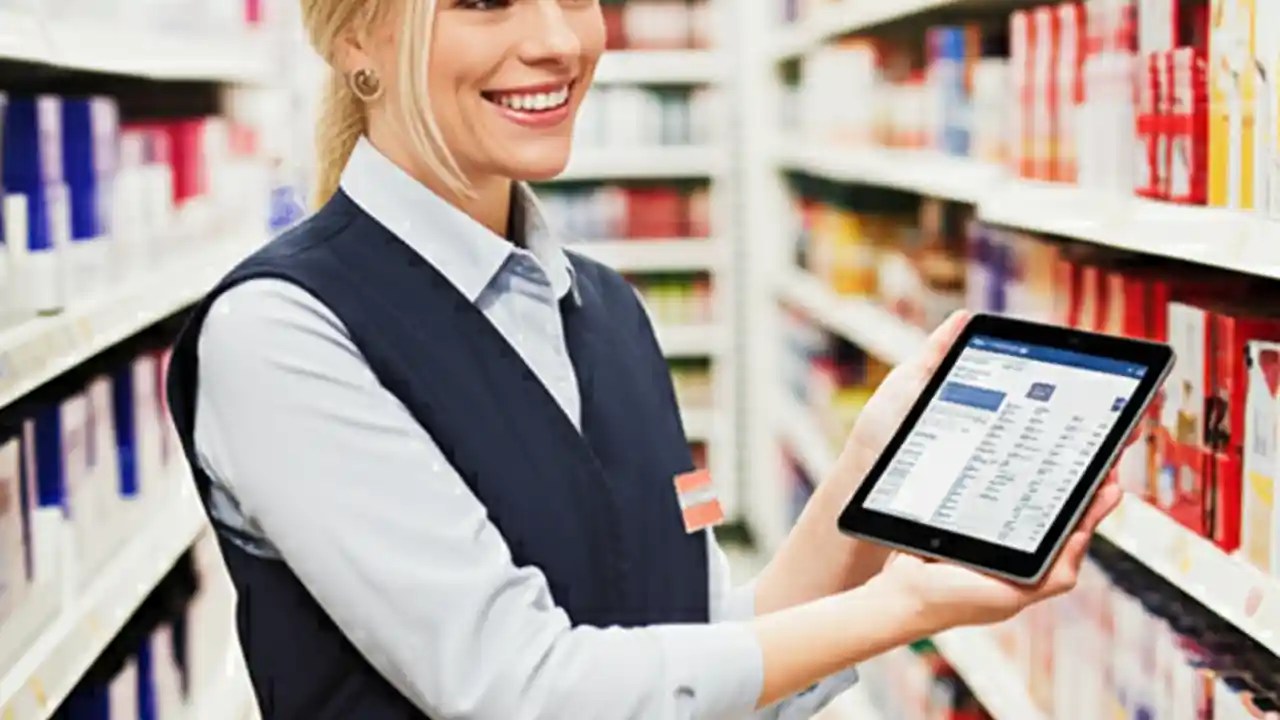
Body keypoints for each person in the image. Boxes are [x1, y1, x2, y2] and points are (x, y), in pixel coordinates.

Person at [162, 0, 1124, 718]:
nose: (557, 40)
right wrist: (902, 608)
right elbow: (518, 688)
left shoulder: (608, 310)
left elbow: (703, 652)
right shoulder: (283, 333)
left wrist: (867, 479)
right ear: (354, 39)